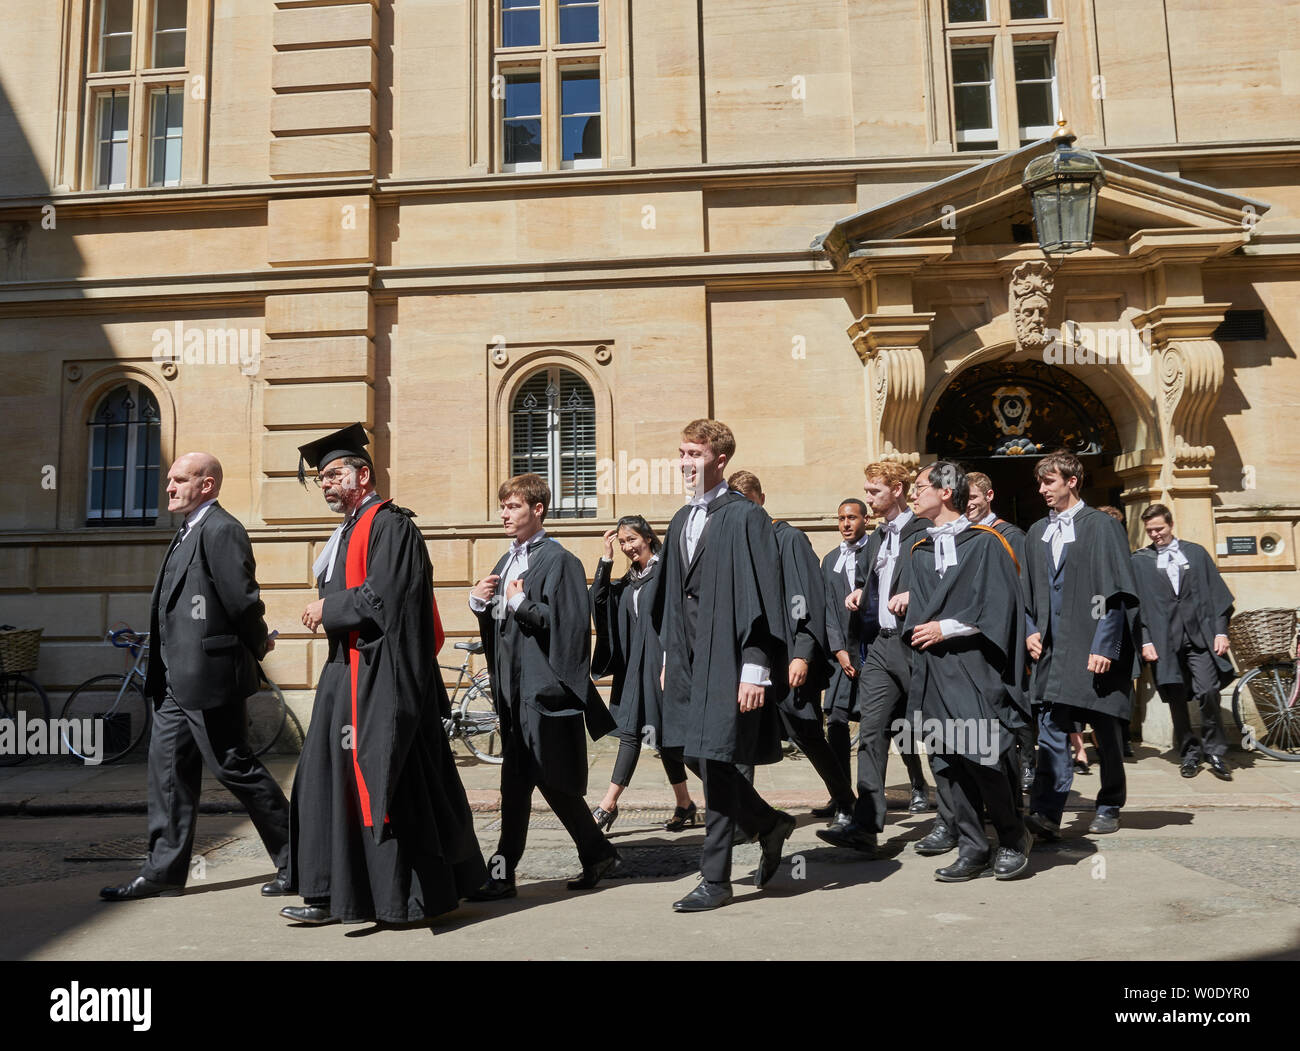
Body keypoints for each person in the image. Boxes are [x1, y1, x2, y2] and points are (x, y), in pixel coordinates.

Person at [280, 424, 486, 925]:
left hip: (378, 677)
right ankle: (333, 891)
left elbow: (384, 598)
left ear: (362, 474)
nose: (325, 484)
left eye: (332, 474)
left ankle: (399, 899)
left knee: (386, 784)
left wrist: (329, 608)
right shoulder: (347, 530)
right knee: (325, 782)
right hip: (345, 673)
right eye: (321, 477)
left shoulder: (390, 524)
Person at [101, 453, 292, 902]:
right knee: (166, 774)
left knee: (234, 767)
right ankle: (163, 872)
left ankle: (299, 860)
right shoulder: (187, 530)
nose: (168, 486)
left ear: (207, 485)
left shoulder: (222, 529)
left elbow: (243, 601)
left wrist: (257, 642)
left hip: (209, 677)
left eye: (179, 479)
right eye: (168, 479)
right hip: (170, 681)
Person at [656, 419, 795, 912]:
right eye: (681, 453)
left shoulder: (745, 517)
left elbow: (764, 594)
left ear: (719, 459)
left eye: (693, 454)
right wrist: (671, 656)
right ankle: (768, 823)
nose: (685, 462)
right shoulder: (679, 520)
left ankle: (715, 879)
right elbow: (673, 595)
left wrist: (756, 665)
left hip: (731, 658)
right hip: (690, 661)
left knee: (716, 760)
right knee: (687, 751)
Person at [468, 473, 619, 899]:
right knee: (527, 782)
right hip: (513, 692)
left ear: (538, 509)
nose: (503, 514)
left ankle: (503, 874)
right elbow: (501, 625)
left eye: (512, 507)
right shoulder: (506, 561)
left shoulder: (561, 561)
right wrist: (480, 602)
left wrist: (520, 603)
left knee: (528, 783)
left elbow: (568, 626)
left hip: (541, 690)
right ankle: (595, 852)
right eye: (502, 507)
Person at [903, 461, 1032, 881]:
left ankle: (1013, 838)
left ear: (944, 492)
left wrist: (947, 627)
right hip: (932, 670)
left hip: (973, 666)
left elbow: (1000, 606)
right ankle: (973, 847)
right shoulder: (919, 549)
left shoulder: (986, 543)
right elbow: (919, 612)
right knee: (947, 762)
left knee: (983, 757)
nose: (912, 494)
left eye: (919, 487)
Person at [728, 471, 857, 824]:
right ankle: (748, 815)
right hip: (754, 660)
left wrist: (802, 652)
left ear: (762, 499)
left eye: (748, 503)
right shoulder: (742, 547)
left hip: (789, 660)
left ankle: (846, 802)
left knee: (808, 733)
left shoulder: (788, 539)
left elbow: (807, 599)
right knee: (744, 737)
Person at [1024, 451, 1140, 840]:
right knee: (1053, 730)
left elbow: (1116, 591)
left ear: (1072, 481)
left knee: (1106, 732)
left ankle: (1109, 804)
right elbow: (1026, 595)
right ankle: (1046, 813)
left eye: (1049, 482)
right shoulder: (1037, 532)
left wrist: (1105, 645)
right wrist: (1029, 630)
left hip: (1092, 647)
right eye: (1040, 483)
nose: (1042, 490)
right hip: (1053, 653)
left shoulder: (1101, 527)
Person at [818, 461, 932, 856]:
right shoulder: (881, 536)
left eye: (873, 492)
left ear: (897, 489)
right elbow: (873, 576)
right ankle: (866, 824)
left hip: (915, 644)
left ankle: (954, 819)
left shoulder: (924, 531)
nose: (868, 498)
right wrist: (861, 591)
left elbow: (943, 583)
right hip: (880, 646)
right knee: (871, 731)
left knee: (933, 732)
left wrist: (915, 597)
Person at [590, 516, 700, 832]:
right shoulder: (629, 580)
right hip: (634, 667)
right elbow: (597, 601)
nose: (627, 547)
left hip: (661, 665)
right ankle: (683, 803)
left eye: (631, 540)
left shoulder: (666, 573)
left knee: (664, 738)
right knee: (637, 732)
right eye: (622, 542)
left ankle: (733, 793)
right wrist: (606, 559)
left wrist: (671, 663)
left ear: (648, 538)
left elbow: (677, 620)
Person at [1132, 503, 1236, 780]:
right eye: (1150, 530)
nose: (1155, 534)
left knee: (1208, 691)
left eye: (1160, 528)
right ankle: (1189, 753)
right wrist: (1145, 641)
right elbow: (1136, 608)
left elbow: (1218, 596)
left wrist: (1220, 632)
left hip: (1199, 638)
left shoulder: (1195, 553)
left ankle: (1214, 750)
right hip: (1164, 642)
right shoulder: (1139, 561)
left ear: (1171, 525)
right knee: (1176, 698)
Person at [966, 471, 1036, 790]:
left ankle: (1027, 762)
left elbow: (1022, 588)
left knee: (1013, 697)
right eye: (963, 499)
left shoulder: (1010, 535)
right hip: (974, 633)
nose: (968, 505)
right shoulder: (962, 536)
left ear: (989, 497)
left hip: (1007, 630)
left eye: (974, 498)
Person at [818, 498, 871, 811]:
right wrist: (838, 650)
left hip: (872, 651)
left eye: (852, 517)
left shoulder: (877, 551)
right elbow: (827, 609)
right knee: (836, 721)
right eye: (841, 519)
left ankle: (916, 784)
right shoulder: (830, 560)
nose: (846, 524)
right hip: (842, 656)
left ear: (865, 519)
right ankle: (841, 795)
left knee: (881, 724)